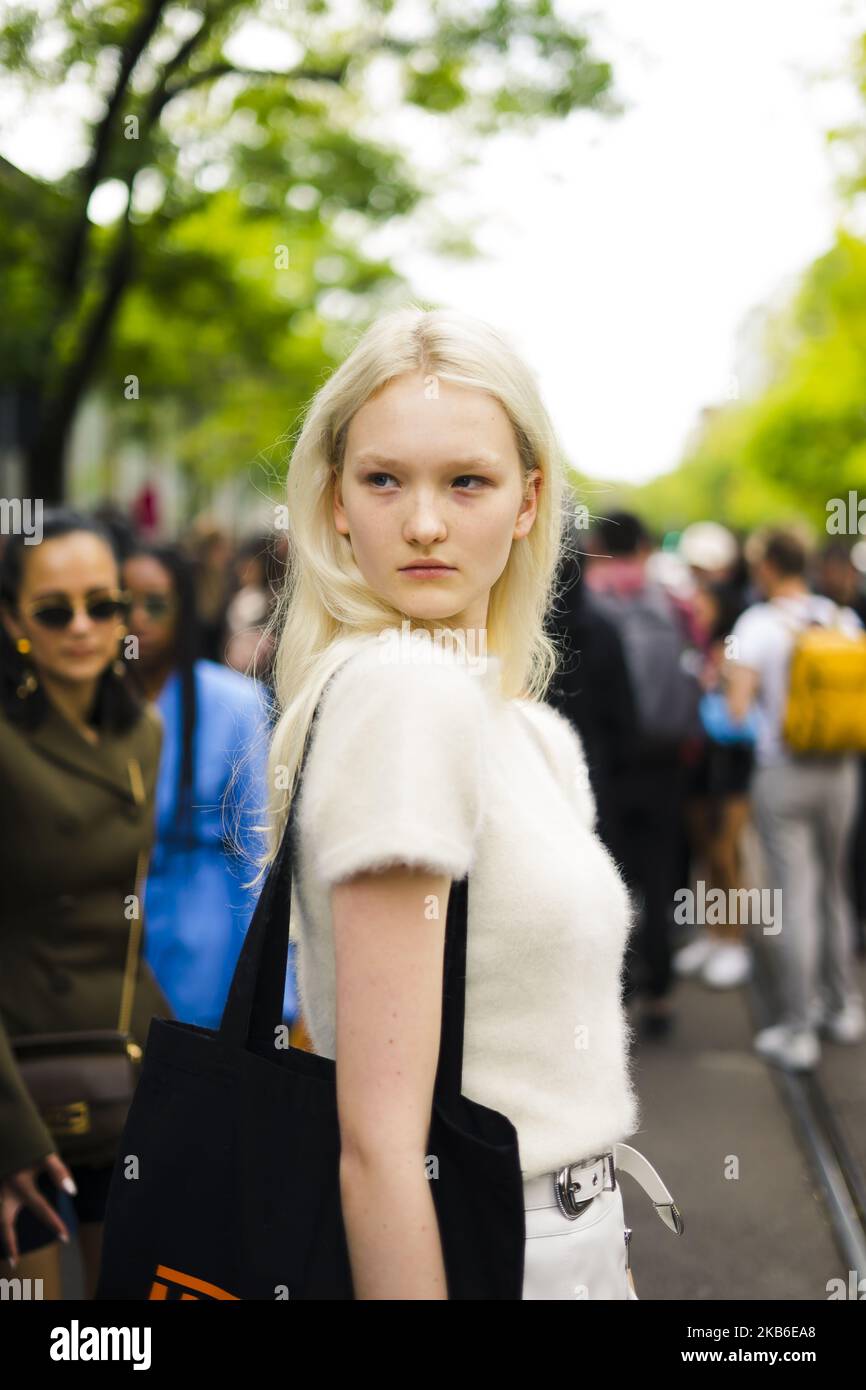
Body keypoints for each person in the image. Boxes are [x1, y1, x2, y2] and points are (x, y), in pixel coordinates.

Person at [256, 305, 684, 1300]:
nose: (422, 522)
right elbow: (378, 1148)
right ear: (332, 501)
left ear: (529, 500)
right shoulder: (401, 692)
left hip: (572, 1236)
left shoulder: (526, 730)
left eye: (465, 481)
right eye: (382, 479)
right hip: (482, 1245)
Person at [0, 510, 171, 1296]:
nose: (82, 627)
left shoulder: (142, 735)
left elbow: (121, 923)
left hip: (117, 1071)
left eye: (102, 605)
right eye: (53, 609)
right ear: (13, 620)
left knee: (120, 1328)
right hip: (17, 1088)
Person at [120, 543, 296, 1035]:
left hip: (205, 937)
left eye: (155, 603)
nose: (137, 618)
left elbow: (256, 845)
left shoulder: (233, 702)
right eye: (120, 602)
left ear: (183, 609)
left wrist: (278, 987)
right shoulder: (90, 699)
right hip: (110, 944)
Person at [726, 527, 866, 1070]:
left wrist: (725, 679)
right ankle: (843, 1008)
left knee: (791, 896)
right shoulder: (842, 618)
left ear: (765, 566)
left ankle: (796, 1027)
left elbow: (738, 710)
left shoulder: (758, 624)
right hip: (843, 771)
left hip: (783, 771)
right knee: (834, 886)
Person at [585, 512, 703, 1039]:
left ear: (600, 544)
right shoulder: (673, 604)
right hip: (665, 762)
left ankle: (618, 989)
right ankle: (662, 991)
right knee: (660, 874)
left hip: (605, 768)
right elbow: (698, 673)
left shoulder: (585, 600)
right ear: (645, 544)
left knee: (608, 879)